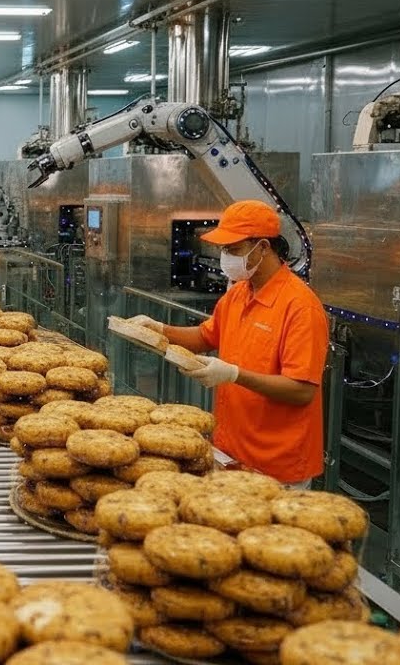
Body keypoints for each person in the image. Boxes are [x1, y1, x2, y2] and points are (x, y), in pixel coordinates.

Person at [131, 200, 328, 487]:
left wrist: (233, 374)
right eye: (223, 250)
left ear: (262, 247)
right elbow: (205, 337)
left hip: (277, 465)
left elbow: (301, 391)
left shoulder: (299, 306)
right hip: (231, 450)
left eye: (233, 249)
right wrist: (158, 330)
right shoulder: (238, 295)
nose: (226, 258)